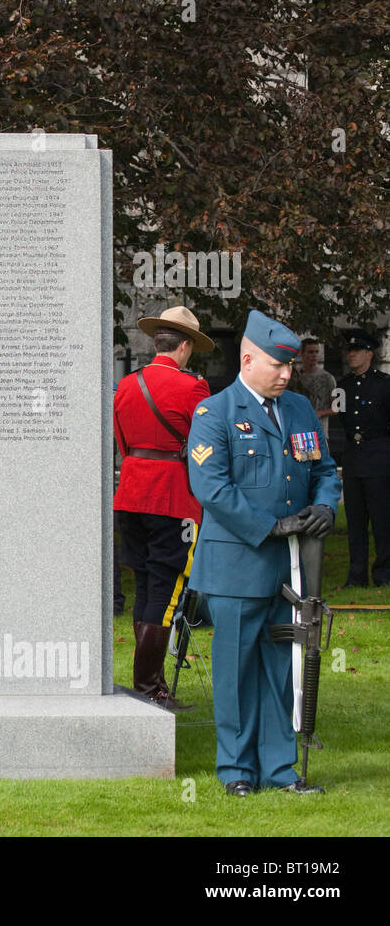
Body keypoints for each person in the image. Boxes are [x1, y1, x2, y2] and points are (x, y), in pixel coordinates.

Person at [187, 310, 341, 796]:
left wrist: (325, 506)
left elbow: (324, 468)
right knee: (234, 670)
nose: (287, 374)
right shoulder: (216, 413)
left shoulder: (296, 408)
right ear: (248, 358)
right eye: (277, 365)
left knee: (282, 667)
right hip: (238, 563)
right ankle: (236, 771)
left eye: (290, 366)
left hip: (291, 567)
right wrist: (270, 526)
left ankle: (280, 769)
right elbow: (211, 487)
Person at [113, 306, 212, 709]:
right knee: (167, 588)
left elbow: (121, 441)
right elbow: (206, 446)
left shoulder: (127, 384)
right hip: (171, 495)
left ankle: (146, 683)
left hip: (131, 490)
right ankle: (149, 686)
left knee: (143, 582)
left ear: (158, 343)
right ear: (184, 346)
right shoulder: (194, 388)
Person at [335, 328, 390, 587]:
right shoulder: (342, 386)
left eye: (356, 350)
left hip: (379, 458)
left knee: (381, 521)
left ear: (370, 353)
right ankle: (356, 577)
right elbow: (341, 421)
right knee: (356, 523)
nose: (351, 355)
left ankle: (383, 574)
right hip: (354, 460)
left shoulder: (384, 384)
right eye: (349, 350)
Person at [290, 338, 338, 435]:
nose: (314, 355)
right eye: (310, 352)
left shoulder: (328, 378)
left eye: (316, 352)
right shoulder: (294, 377)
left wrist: (320, 413)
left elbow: (335, 408)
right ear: (302, 353)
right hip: (298, 430)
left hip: (320, 431)